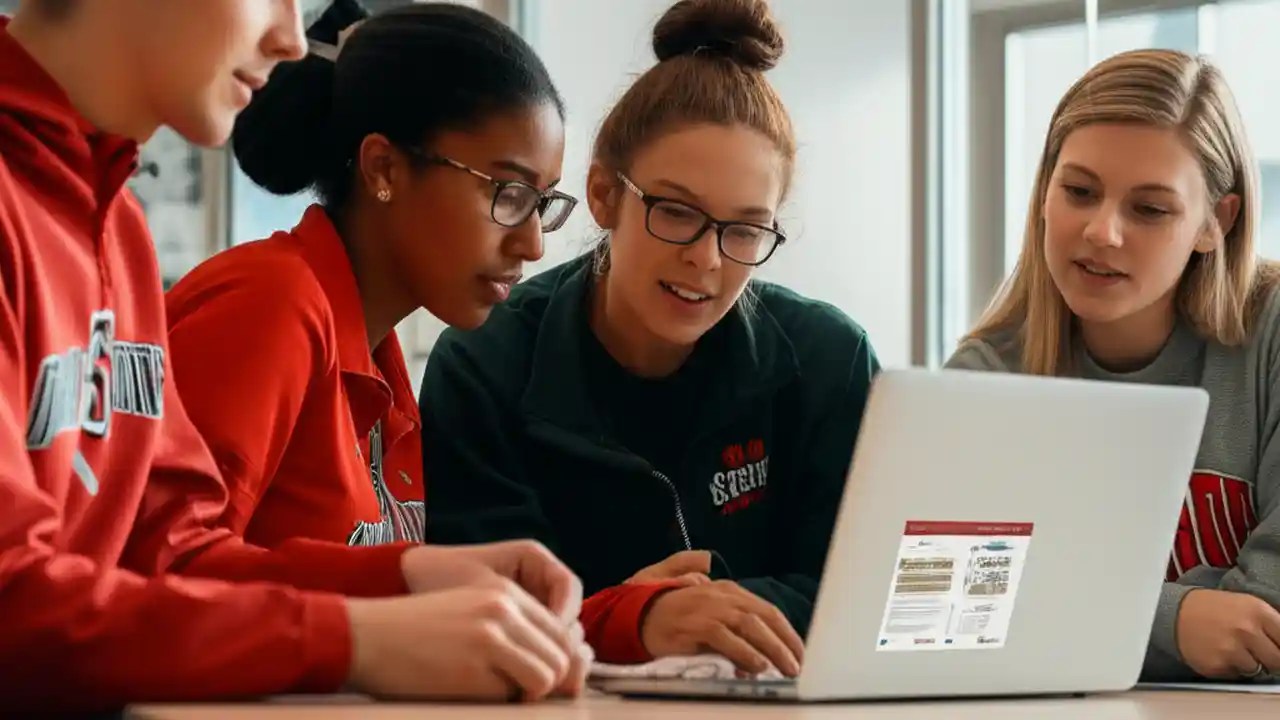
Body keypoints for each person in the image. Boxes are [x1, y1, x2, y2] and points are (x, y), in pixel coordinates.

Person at [0, 0, 587, 710]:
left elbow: (175, 557)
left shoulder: (116, 226)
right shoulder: (262, 294)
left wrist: (405, 581)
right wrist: (354, 639)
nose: (286, 39)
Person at [419, 0, 880, 678]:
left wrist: (712, 609)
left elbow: (869, 595)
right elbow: (480, 607)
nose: (708, 260)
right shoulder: (485, 362)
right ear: (604, 195)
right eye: (676, 212)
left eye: (746, 229)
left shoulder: (829, 361)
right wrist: (636, 620)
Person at [165, 1, 575, 552]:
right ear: (384, 168)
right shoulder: (270, 305)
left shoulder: (377, 360)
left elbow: (418, 610)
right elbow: (164, 576)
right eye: (508, 193)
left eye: (542, 203)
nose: (532, 243)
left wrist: (622, 614)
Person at [947, 48, 1280, 682]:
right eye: (1079, 190)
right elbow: (963, 608)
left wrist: (1076, 607)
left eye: (1150, 209)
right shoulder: (983, 375)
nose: (1102, 232)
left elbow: (1266, 623)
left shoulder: (1273, 334)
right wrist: (1174, 620)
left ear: (1217, 221)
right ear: (1045, 192)